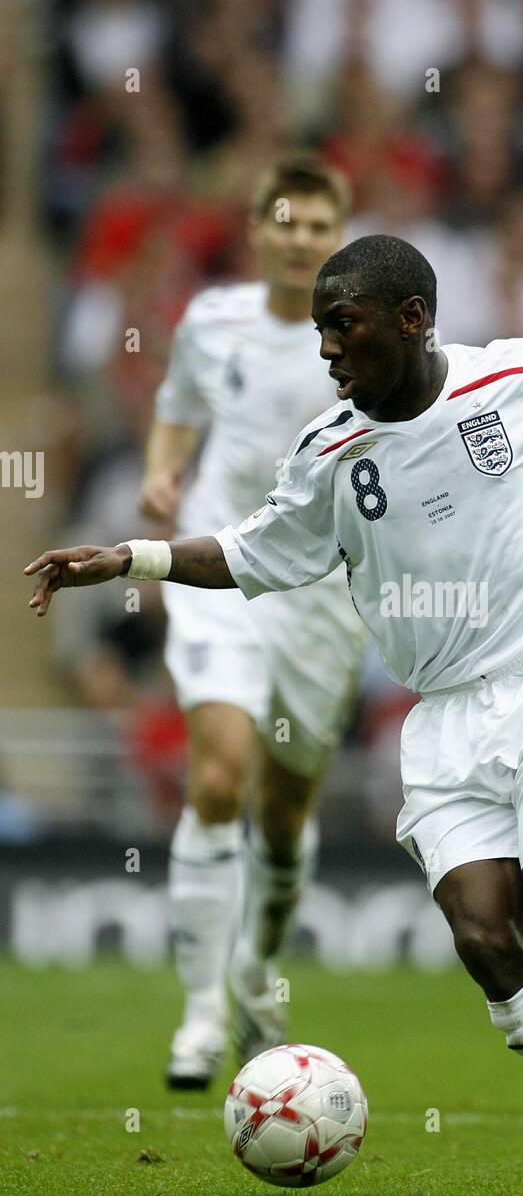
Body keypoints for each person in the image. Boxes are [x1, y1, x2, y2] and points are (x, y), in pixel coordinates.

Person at [27, 214, 523, 1196]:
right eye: (320, 328)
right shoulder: (326, 452)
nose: (326, 347)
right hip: (442, 722)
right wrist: (129, 559)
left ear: (409, 319)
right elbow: (247, 554)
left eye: (342, 325)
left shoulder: (509, 384)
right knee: (485, 940)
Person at [137, 154, 367, 1088]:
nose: (300, 239)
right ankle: (197, 1019)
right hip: (217, 567)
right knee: (221, 775)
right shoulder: (211, 319)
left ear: (336, 237)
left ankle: (257, 976)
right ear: (258, 228)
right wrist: (162, 467)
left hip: (318, 595)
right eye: (286, 221)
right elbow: (176, 409)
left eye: (318, 226)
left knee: (281, 816)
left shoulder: (363, 338)